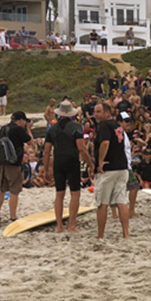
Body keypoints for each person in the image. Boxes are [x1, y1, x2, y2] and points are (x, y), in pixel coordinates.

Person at [41, 100, 94, 233]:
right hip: (72, 160)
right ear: (71, 113)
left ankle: (59, 226)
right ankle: (71, 225)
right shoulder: (76, 127)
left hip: (58, 160)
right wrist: (90, 164)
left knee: (59, 194)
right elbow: (81, 148)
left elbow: (47, 151)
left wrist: (46, 169)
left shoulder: (52, 128)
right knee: (75, 193)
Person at [92, 102, 130, 238]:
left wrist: (100, 161)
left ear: (107, 113)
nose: (95, 114)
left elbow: (105, 143)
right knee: (121, 201)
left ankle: (100, 234)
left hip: (109, 168)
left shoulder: (105, 126)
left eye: (98, 111)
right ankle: (126, 233)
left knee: (102, 202)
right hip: (122, 166)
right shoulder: (117, 126)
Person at [0, 111, 33, 225]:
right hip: (14, 163)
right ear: (21, 120)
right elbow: (30, 142)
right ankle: (12, 217)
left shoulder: (3, 129)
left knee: (1, 189)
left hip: (1, 162)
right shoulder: (19, 129)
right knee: (14, 191)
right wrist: (28, 129)